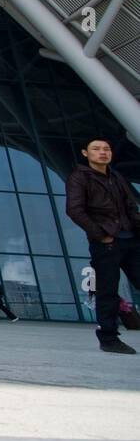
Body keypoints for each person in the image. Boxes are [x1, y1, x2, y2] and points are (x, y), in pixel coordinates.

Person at [66, 137, 140, 354]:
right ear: (85, 153)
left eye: (106, 149)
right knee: (107, 290)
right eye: (96, 149)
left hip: (130, 240)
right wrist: (100, 235)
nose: (102, 152)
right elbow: (74, 210)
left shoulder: (116, 176)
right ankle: (108, 338)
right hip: (106, 243)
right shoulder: (79, 178)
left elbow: (130, 206)